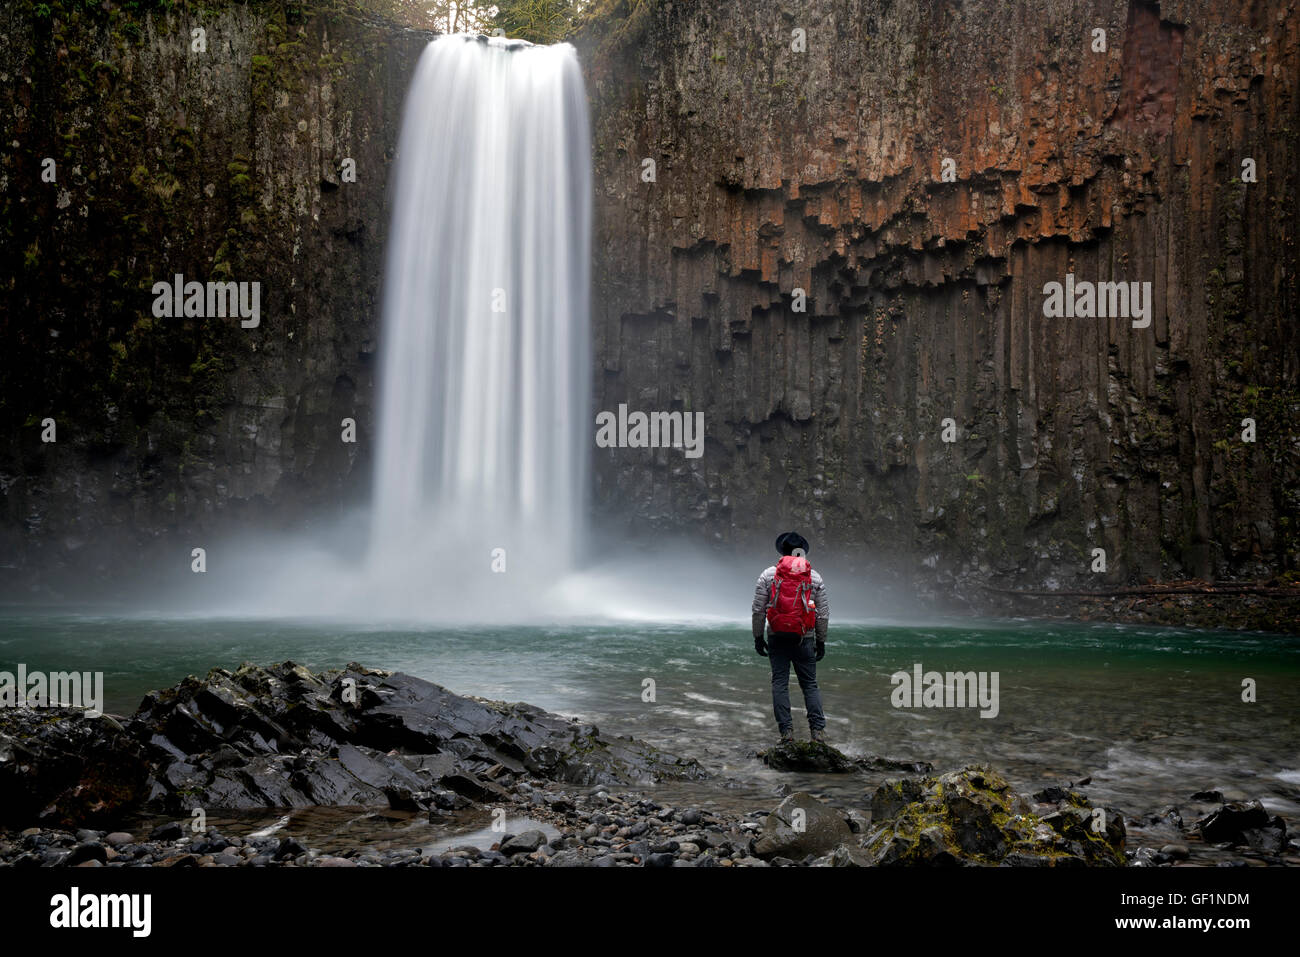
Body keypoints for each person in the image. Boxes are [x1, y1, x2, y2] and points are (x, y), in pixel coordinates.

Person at [752, 531, 829, 744]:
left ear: (782, 551)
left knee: (780, 683)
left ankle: (787, 734)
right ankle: (818, 733)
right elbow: (822, 613)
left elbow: (758, 610)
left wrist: (758, 637)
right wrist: (821, 641)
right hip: (805, 638)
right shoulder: (814, 576)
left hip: (777, 636)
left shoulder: (769, 575)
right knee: (810, 685)